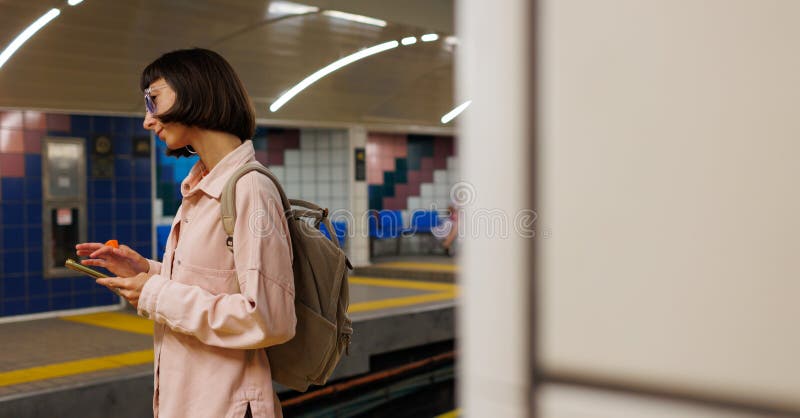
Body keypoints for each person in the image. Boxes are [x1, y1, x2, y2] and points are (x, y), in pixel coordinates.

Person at [75, 48, 295, 418]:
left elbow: (266, 319)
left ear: (194, 90)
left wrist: (154, 292)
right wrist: (146, 271)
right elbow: (216, 285)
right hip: (193, 401)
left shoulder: (249, 189)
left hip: (226, 405)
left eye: (153, 100)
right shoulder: (203, 186)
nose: (148, 120)